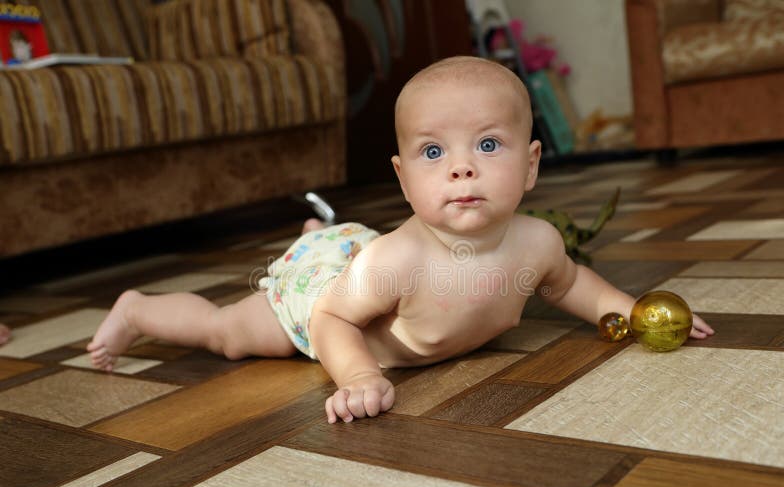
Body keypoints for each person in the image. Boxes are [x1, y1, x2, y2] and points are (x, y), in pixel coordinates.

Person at [88, 56, 714, 424]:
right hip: (325, 293)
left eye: (487, 145)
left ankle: (321, 230)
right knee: (230, 336)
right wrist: (355, 374)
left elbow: (574, 283)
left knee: (343, 248)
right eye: (433, 151)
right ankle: (138, 308)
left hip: (357, 252)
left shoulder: (538, 243)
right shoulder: (401, 260)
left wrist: (631, 312)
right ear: (404, 179)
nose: (461, 168)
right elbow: (334, 315)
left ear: (530, 165)